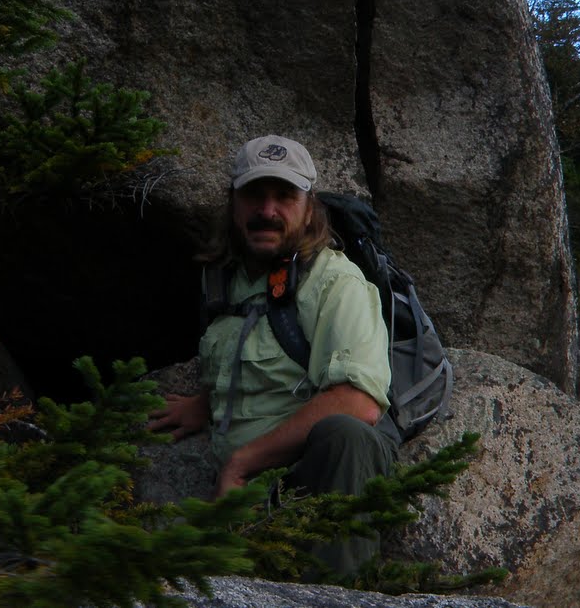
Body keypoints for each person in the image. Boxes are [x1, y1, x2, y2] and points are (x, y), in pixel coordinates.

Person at [146, 134, 395, 577]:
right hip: (246, 489)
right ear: (233, 202)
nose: (267, 211)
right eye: (254, 195)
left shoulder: (335, 283)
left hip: (315, 476)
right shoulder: (223, 281)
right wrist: (204, 403)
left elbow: (358, 403)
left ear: (308, 204)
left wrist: (242, 463)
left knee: (346, 434)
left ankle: (338, 593)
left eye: (284, 196)